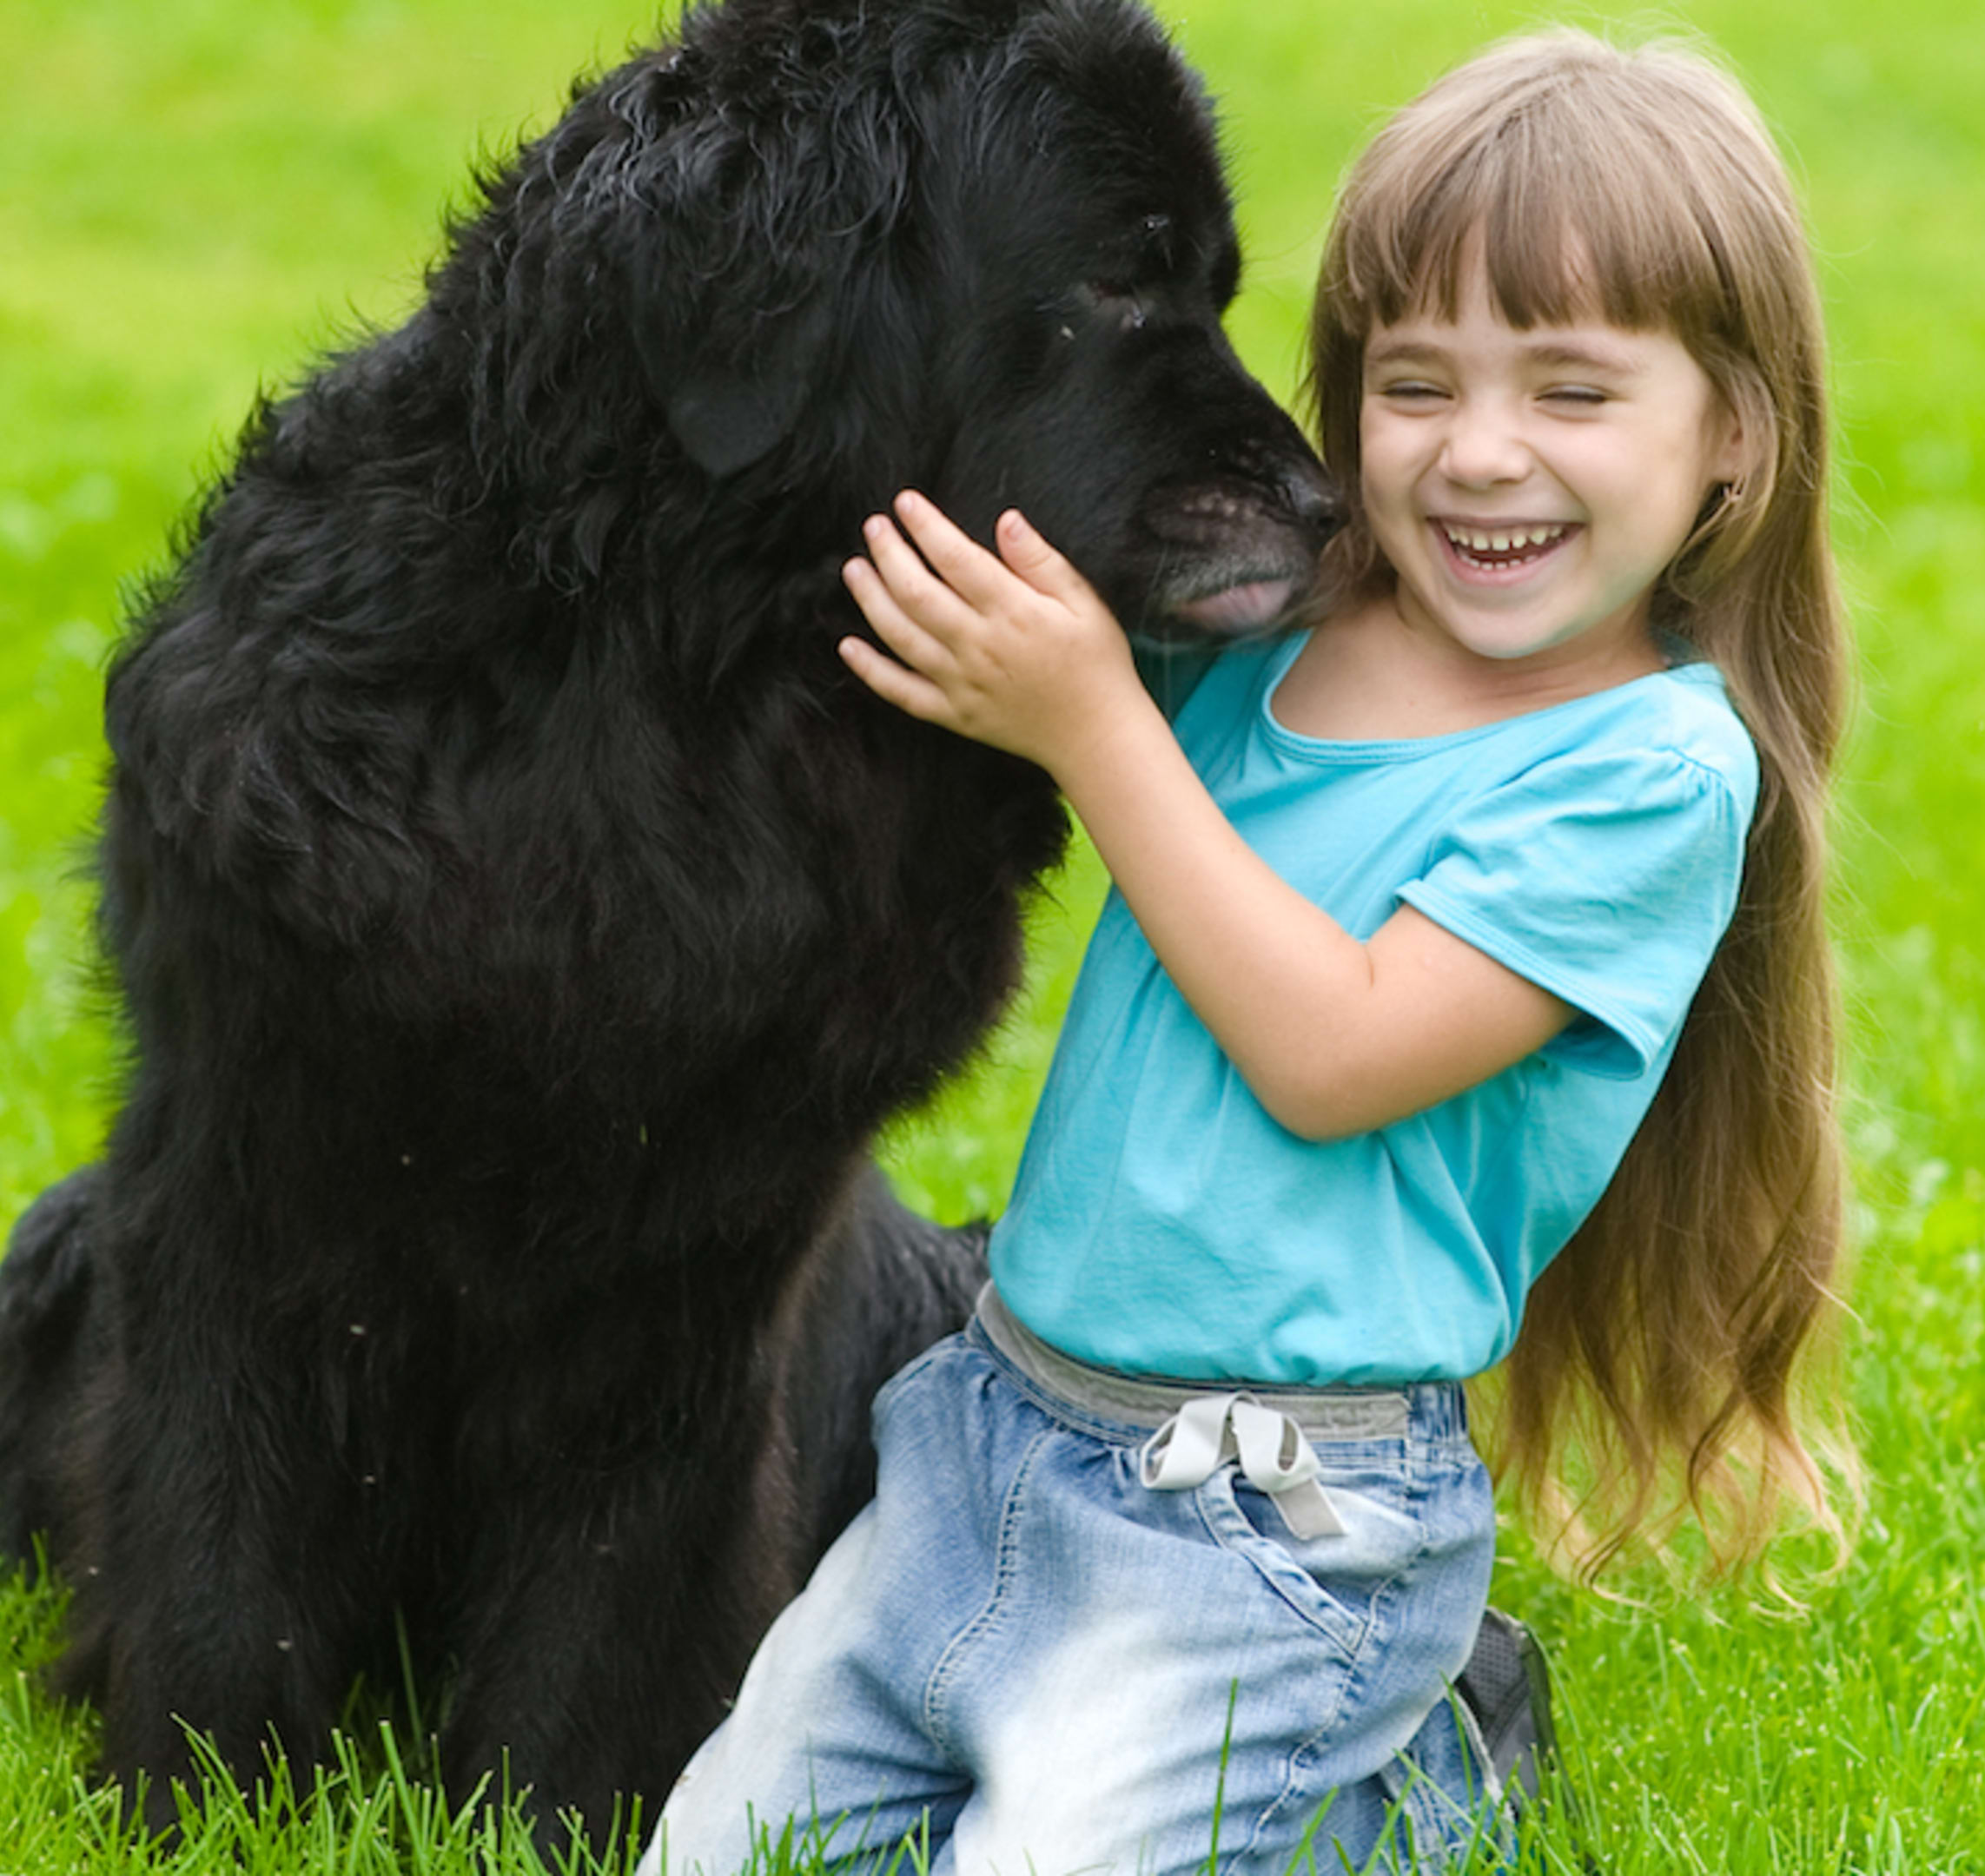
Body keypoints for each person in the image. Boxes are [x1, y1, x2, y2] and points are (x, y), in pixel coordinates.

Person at [645, 24, 1862, 1874]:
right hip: (990, 1444)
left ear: (1735, 440)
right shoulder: (1271, 631)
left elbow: (1337, 1048)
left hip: (1271, 1526)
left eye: (1574, 393)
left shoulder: (1647, 773)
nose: (1481, 454)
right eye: (1417, 381)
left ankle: (1413, 1763)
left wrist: (1096, 726)